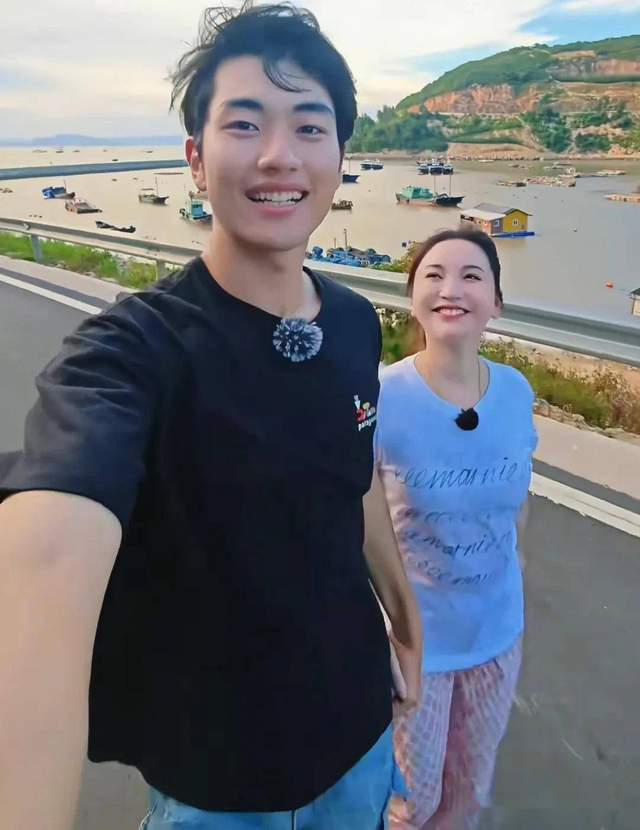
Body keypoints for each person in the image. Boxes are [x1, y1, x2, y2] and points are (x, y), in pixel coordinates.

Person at [0, 4, 422, 828]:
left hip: (359, 741)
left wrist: (406, 619)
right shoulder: (132, 351)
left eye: (309, 126)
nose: (278, 155)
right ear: (196, 158)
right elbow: (50, 548)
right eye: (244, 123)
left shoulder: (353, 321)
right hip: (216, 785)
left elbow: (356, 467)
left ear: (339, 159)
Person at [374, 228, 538, 829]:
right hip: (416, 644)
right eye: (434, 275)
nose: (452, 289)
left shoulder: (515, 392)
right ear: (412, 296)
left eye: (472, 276)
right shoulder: (381, 398)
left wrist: (515, 566)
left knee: (469, 790)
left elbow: (518, 499)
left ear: (496, 301)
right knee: (410, 801)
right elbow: (359, 523)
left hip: (497, 632)